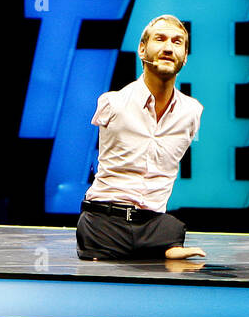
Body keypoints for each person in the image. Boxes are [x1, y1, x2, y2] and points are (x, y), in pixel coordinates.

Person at [76, 14, 206, 261]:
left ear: (185, 57)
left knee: (173, 228)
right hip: (104, 222)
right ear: (142, 49)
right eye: (160, 39)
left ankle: (162, 245)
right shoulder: (112, 104)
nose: (168, 47)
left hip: (154, 225)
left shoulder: (192, 112)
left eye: (178, 42)